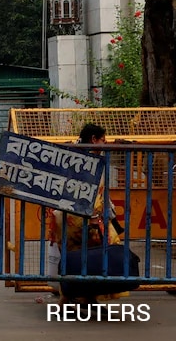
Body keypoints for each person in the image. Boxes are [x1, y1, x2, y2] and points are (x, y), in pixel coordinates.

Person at [46, 122, 139, 302]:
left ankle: (78, 300)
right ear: (94, 139)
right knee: (106, 250)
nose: (105, 144)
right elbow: (86, 194)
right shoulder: (87, 161)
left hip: (67, 217)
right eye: (103, 140)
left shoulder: (75, 156)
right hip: (80, 219)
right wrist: (95, 217)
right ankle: (79, 299)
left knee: (76, 261)